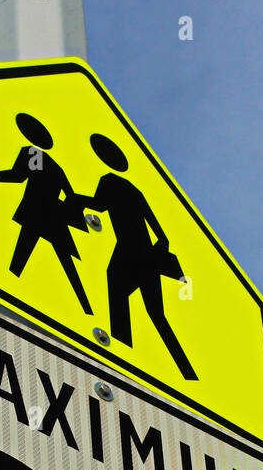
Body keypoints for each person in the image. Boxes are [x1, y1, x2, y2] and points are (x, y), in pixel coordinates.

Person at [78, 133, 196, 380]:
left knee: (118, 291)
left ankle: (122, 350)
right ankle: (187, 372)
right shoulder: (135, 189)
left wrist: (74, 200)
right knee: (156, 313)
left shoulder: (108, 181)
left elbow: (99, 205)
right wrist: (158, 250)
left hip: (128, 250)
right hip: (147, 254)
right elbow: (160, 233)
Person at [0, 113, 92, 313]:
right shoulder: (56, 165)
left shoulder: (32, 154)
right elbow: (71, 195)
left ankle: (7, 293)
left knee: (19, 257)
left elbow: (18, 177)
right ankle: (86, 308)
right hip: (55, 216)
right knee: (67, 264)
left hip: (35, 211)